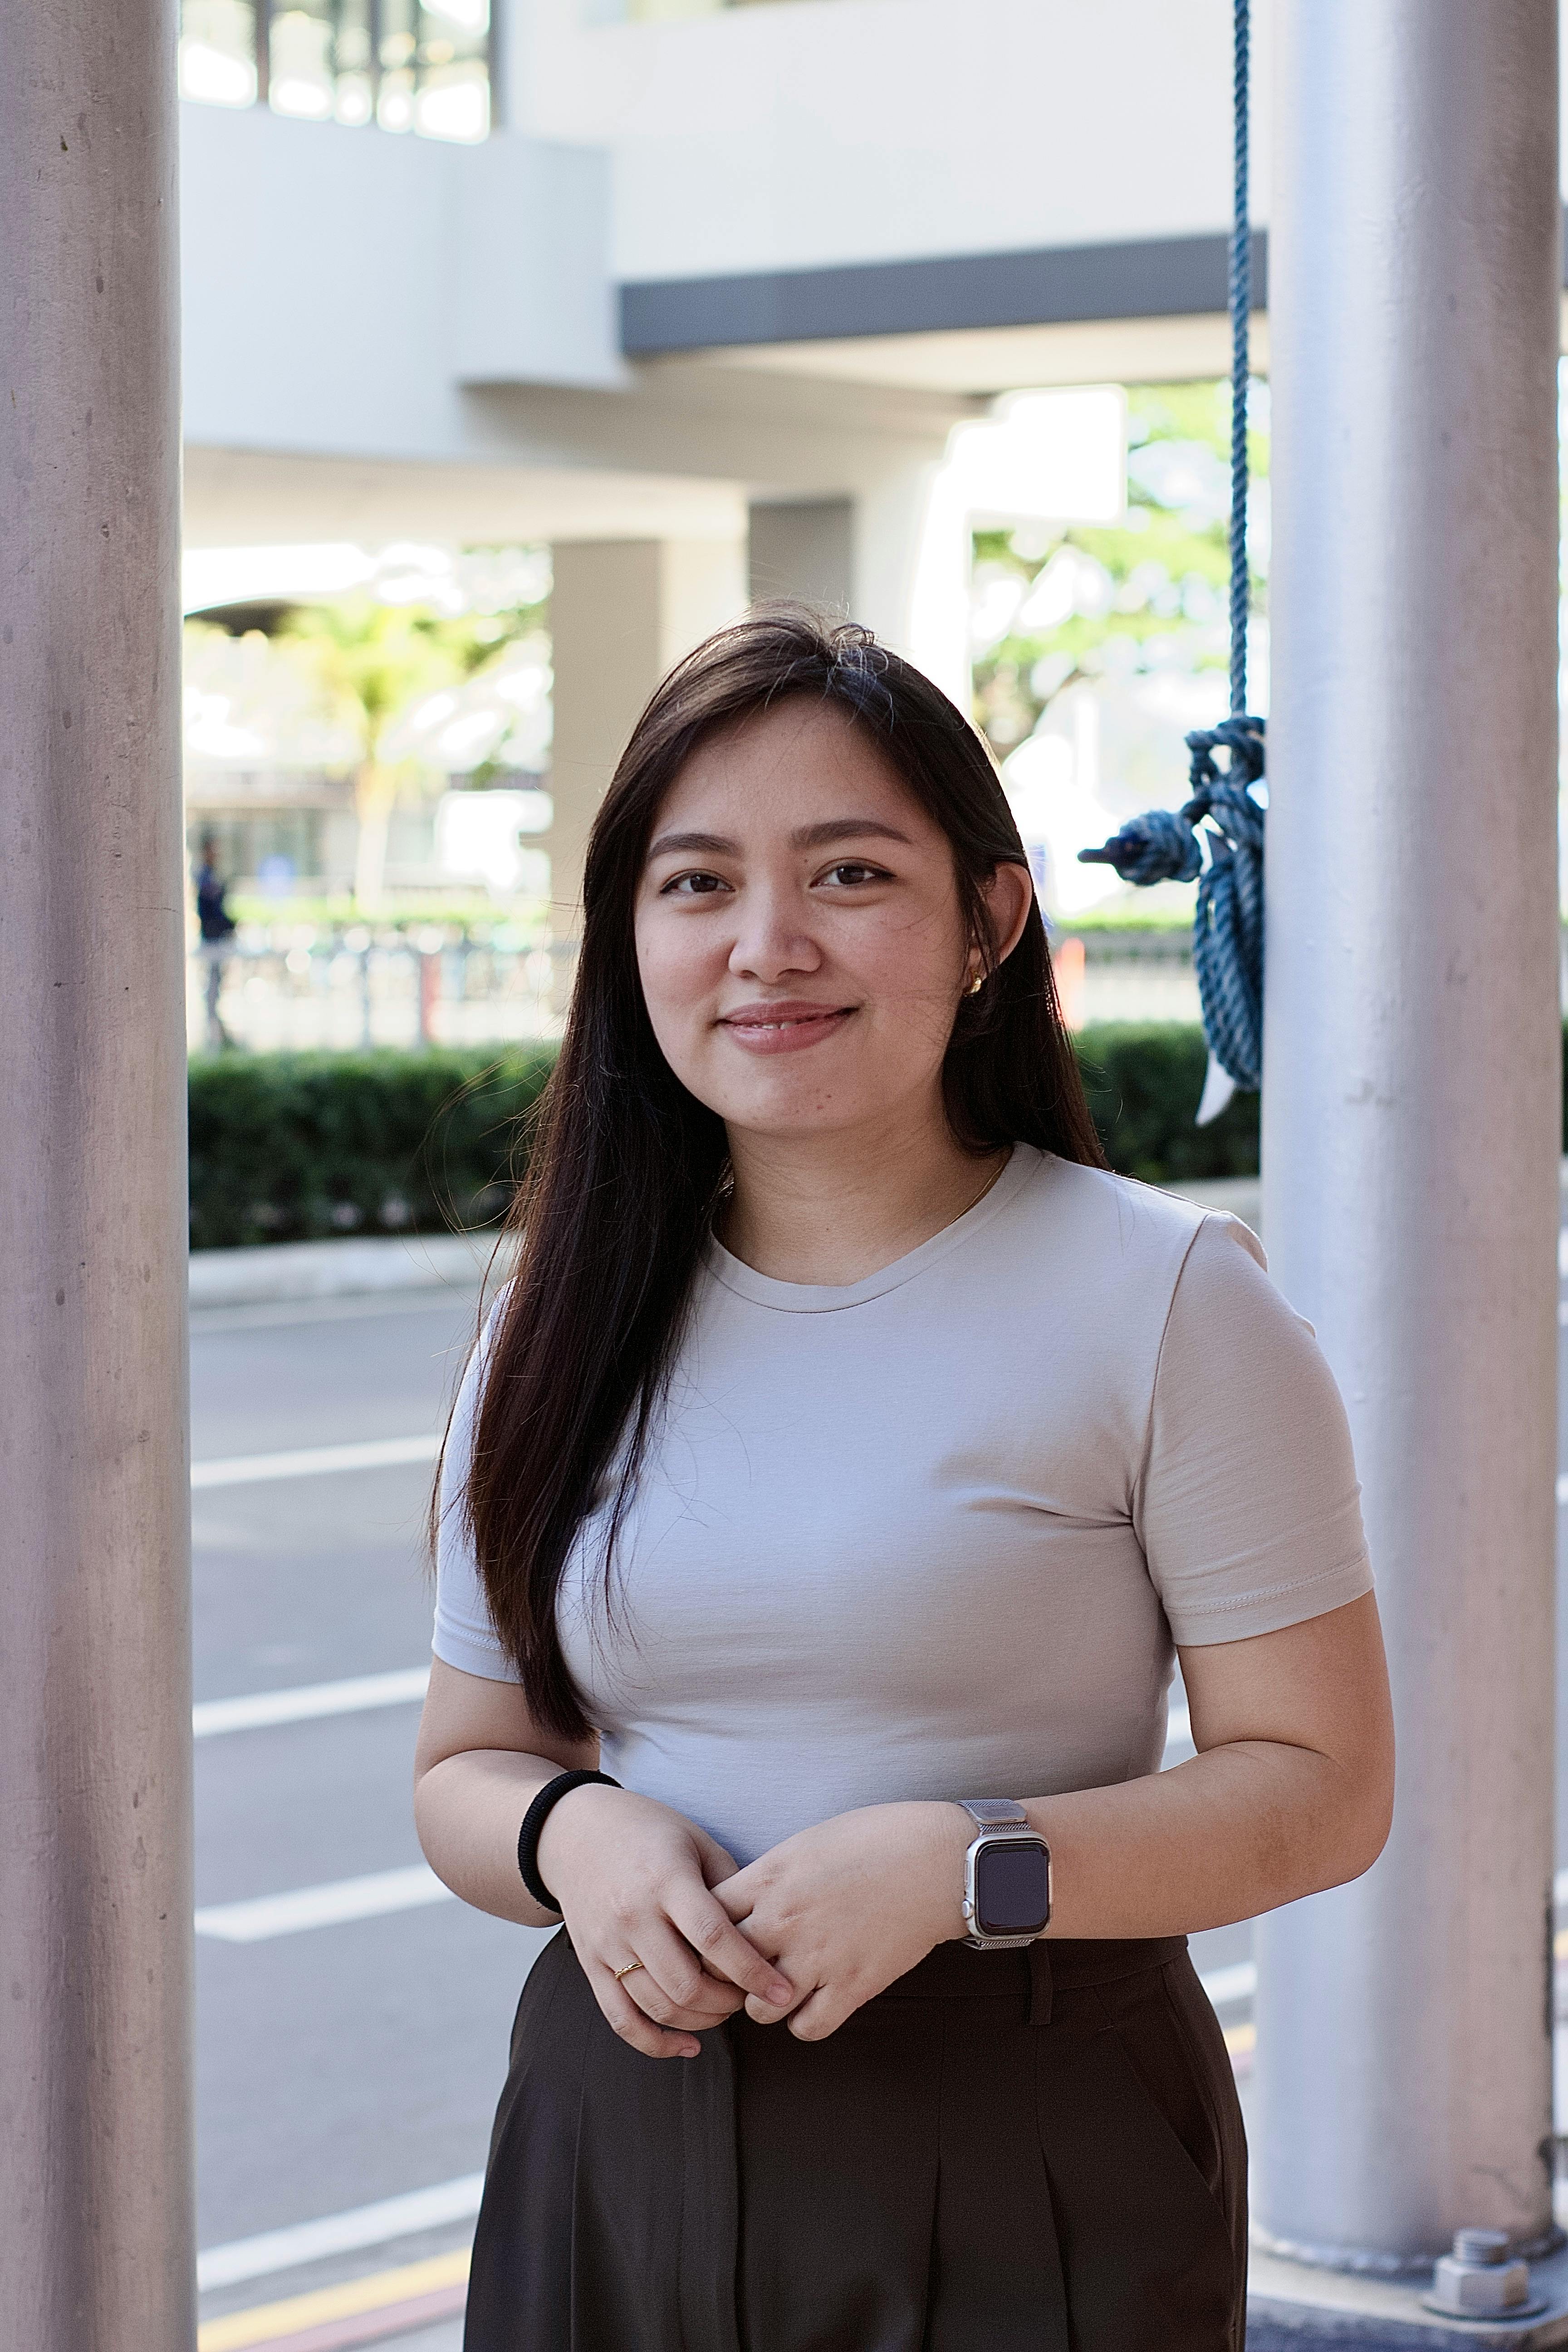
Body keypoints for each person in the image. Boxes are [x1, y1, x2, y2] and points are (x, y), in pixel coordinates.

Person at [414, 609, 1394, 2352]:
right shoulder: (556, 1317)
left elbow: (1322, 1788)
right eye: (695, 884)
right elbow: (465, 1772)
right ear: (627, 936)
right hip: (610, 2141)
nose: (765, 946)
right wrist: (579, 1837)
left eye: (849, 872)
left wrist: (968, 1866)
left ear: (988, 922)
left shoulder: (1168, 1297)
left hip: (1027, 2141)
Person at [194, 835, 238, 1051]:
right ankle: (213, 1035)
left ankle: (217, 1032)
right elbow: (211, 911)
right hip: (211, 941)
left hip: (217, 940)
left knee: (216, 988)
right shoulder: (204, 877)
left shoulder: (211, 877)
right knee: (211, 990)